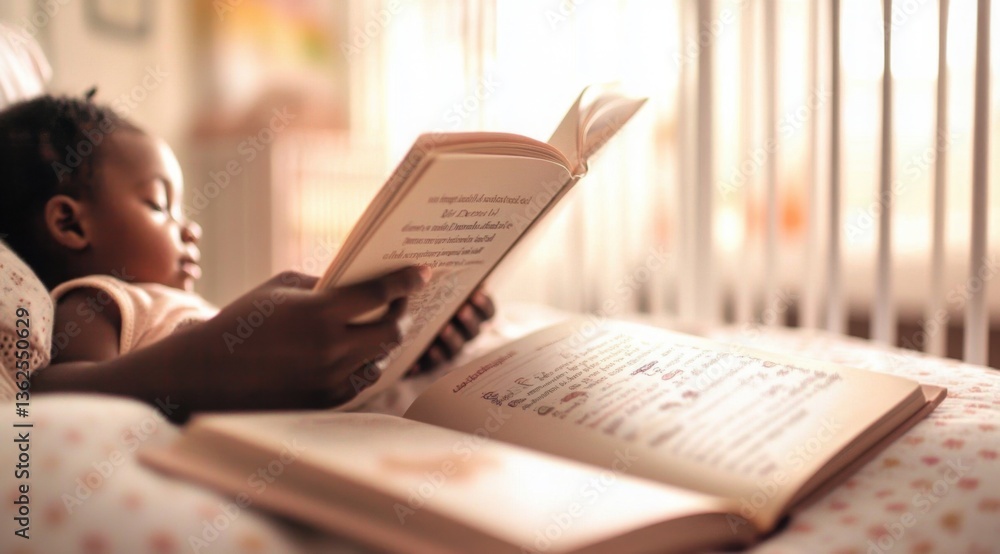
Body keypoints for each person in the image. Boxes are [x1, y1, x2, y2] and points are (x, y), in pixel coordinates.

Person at [0, 93, 495, 420]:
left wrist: (405, 348)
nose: (188, 227)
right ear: (70, 224)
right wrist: (209, 364)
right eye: (158, 203)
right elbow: (50, 396)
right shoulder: (97, 303)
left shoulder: (170, 307)